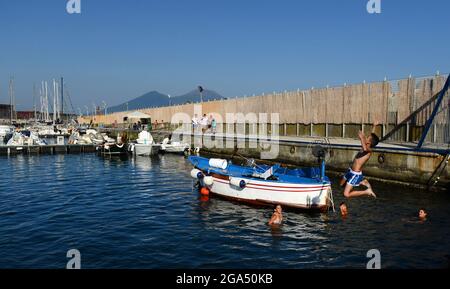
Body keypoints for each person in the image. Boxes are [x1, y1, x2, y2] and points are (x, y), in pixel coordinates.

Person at [340, 121, 380, 198]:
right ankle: (362, 181)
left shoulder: (369, 150)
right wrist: (374, 126)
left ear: (369, 142)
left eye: (368, 138)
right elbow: (372, 135)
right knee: (341, 184)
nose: (366, 137)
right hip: (350, 170)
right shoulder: (366, 143)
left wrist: (361, 138)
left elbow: (365, 149)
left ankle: (367, 191)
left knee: (346, 194)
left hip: (355, 174)